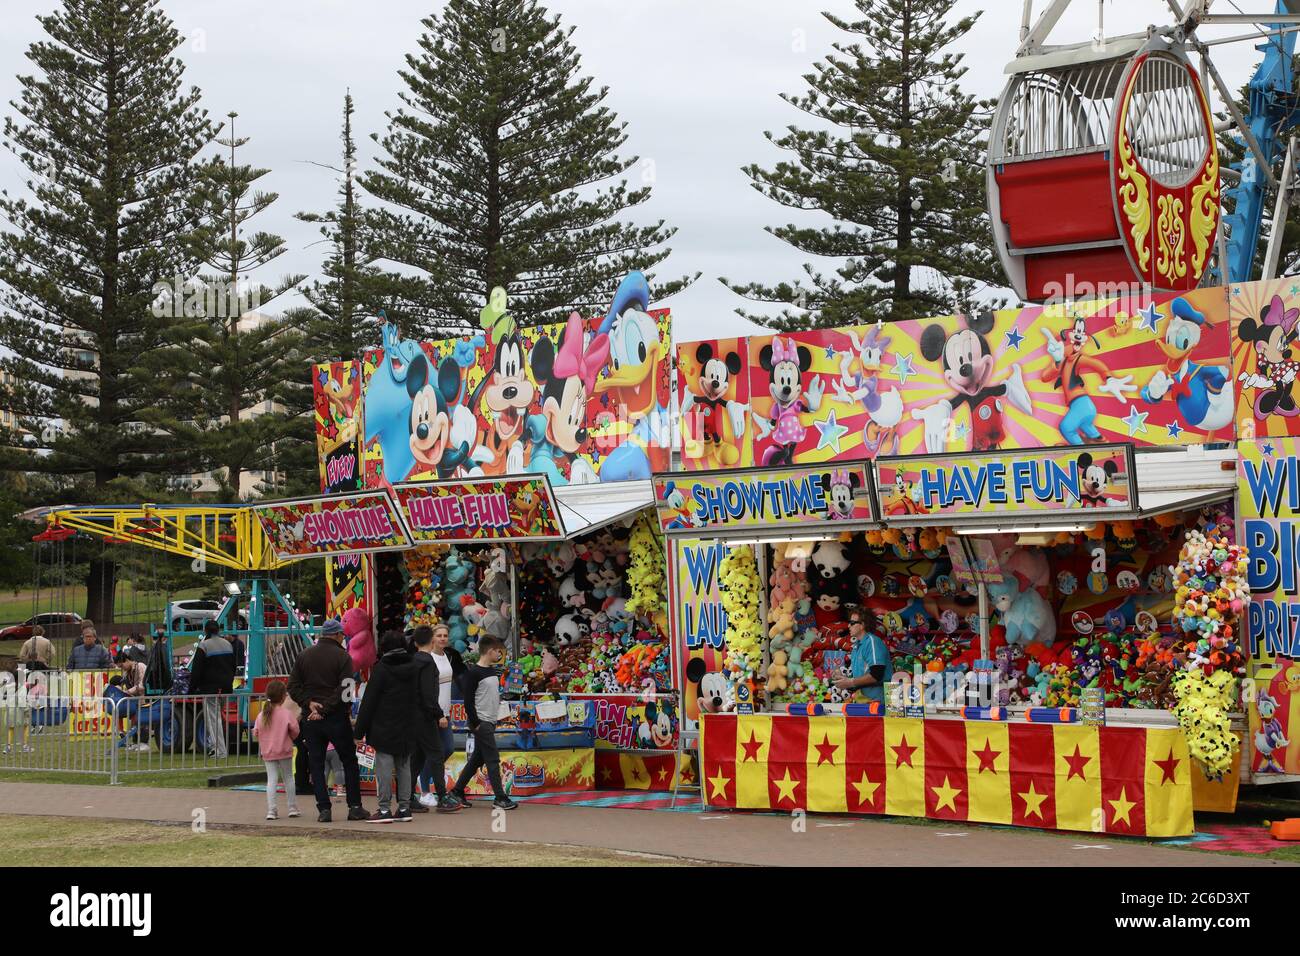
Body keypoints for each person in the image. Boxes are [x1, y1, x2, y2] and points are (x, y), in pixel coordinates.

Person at [288, 618, 366, 823]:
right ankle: (354, 807)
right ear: (338, 635)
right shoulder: (343, 657)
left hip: (311, 719)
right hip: (336, 718)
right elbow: (347, 689)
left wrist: (309, 704)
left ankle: (324, 809)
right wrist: (326, 708)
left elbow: (293, 686)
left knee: (316, 763)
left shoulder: (304, 655)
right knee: (349, 761)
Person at [353, 630, 417, 823]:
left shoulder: (381, 669)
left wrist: (359, 731)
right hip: (407, 724)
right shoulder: (413, 666)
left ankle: (383, 810)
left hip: (383, 726)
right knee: (404, 767)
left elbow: (369, 702)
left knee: (384, 769)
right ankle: (405, 807)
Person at [450, 635, 517, 810]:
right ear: (489, 651)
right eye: (497, 651)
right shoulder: (473, 673)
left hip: (489, 720)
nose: (499, 654)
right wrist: (476, 722)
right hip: (482, 721)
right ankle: (500, 797)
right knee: (492, 759)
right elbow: (468, 700)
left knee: (477, 759)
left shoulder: (492, 671)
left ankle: (456, 791)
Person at [411, 624, 464, 812]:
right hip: (434, 713)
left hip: (445, 712)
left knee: (446, 749)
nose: (442, 638)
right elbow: (427, 690)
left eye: (445, 635)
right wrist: (438, 713)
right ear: (432, 639)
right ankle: (426, 791)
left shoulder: (449, 656)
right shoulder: (427, 658)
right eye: (439, 635)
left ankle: (420, 789)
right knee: (433, 753)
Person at [253, 679, 300, 820]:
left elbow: (255, 732)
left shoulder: (261, 715)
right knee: (289, 778)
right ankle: (292, 808)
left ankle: (271, 811)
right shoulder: (286, 713)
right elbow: (295, 730)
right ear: (282, 696)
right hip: (284, 749)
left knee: (271, 780)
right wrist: (290, 737)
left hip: (268, 751)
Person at [189, 620, 236, 759]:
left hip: (210, 689)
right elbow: (233, 666)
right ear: (218, 630)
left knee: (213, 719)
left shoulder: (204, 646)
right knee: (219, 719)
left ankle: (220, 751)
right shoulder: (227, 644)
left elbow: (196, 670)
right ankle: (215, 747)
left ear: (205, 631)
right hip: (226, 687)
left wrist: (192, 689)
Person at [835, 606, 893, 705]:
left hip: (879, 701)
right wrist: (843, 679)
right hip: (864, 701)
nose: (848, 626)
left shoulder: (872, 641)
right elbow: (859, 680)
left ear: (862, 625)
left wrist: (850, 682)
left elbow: (876, 674)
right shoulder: (856, 646)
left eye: (852, 623)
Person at [0, 671, 32, 755]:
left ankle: (8, 746)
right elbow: (22, 701)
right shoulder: (22, 687)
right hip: (19, 711)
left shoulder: (9, 686)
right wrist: (28, 708)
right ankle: (24, 746)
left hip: (9, 710)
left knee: (11, 728)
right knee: (25, 726)